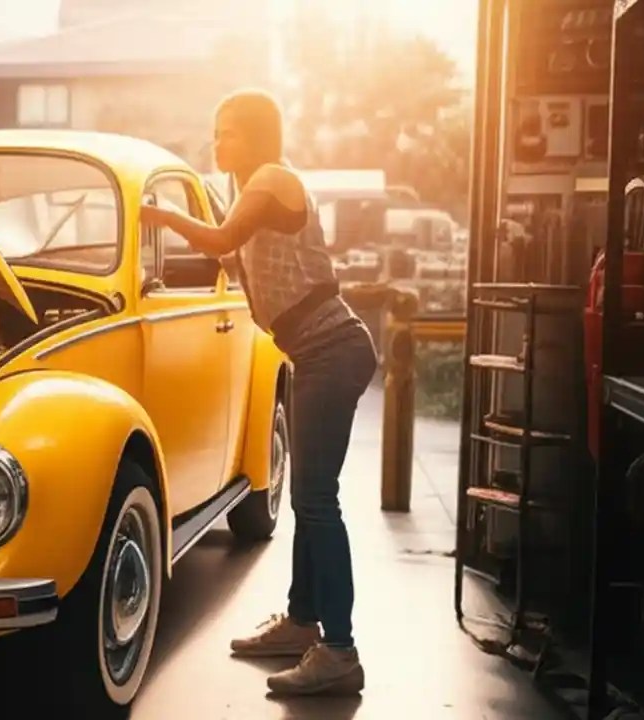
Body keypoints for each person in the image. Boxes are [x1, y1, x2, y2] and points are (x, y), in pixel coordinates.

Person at [139, 89, 376, 696]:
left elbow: (218, 241)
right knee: (309, 498)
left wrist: (159, 216)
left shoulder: (273, 177)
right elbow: (228, 253)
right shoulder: (255, 191)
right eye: (216, 132)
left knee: (318, 501)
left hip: (331, 349)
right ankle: (302, 623)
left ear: (259, 138)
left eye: (230, 132)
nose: (219, 142)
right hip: (314, 353)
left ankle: (340, 651)